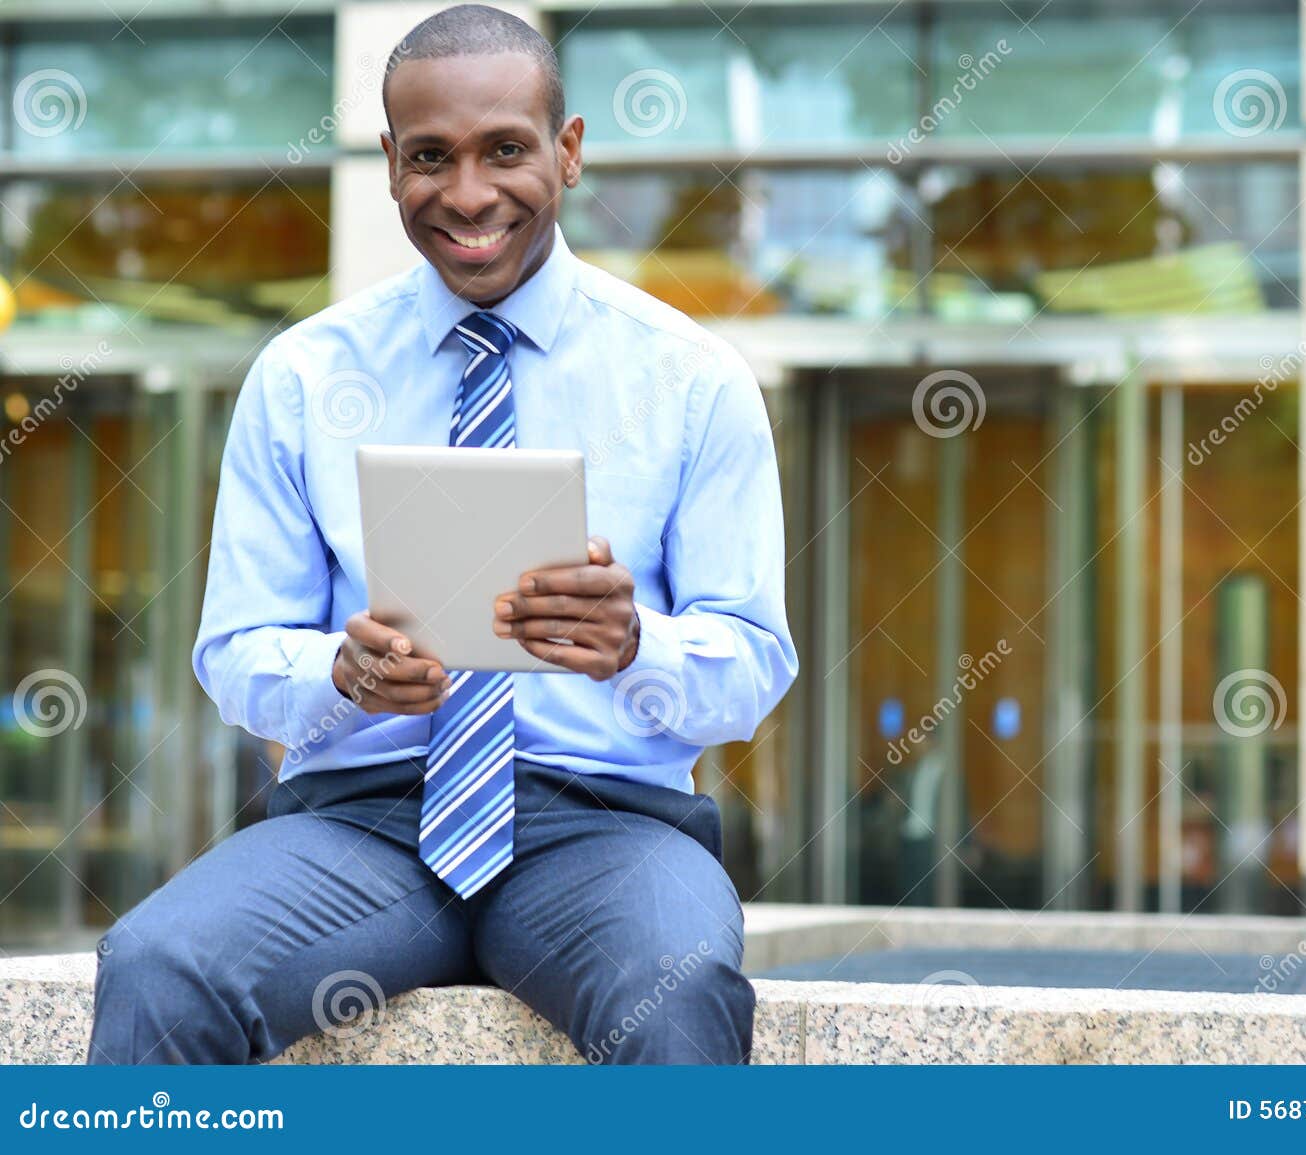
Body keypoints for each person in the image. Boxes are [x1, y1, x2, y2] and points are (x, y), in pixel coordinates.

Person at [87, 3, 795, 1066]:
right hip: (355, 829)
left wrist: (636, 646)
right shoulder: (304, 378)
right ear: (389, 164)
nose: (467, 195)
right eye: (430, 157)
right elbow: (234, 652)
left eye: (505, 150)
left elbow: (754, 665)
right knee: (156, 967)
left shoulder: (693, 381)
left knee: (678, 988)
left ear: (567, 150)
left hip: (604, 830)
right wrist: (340, 675)